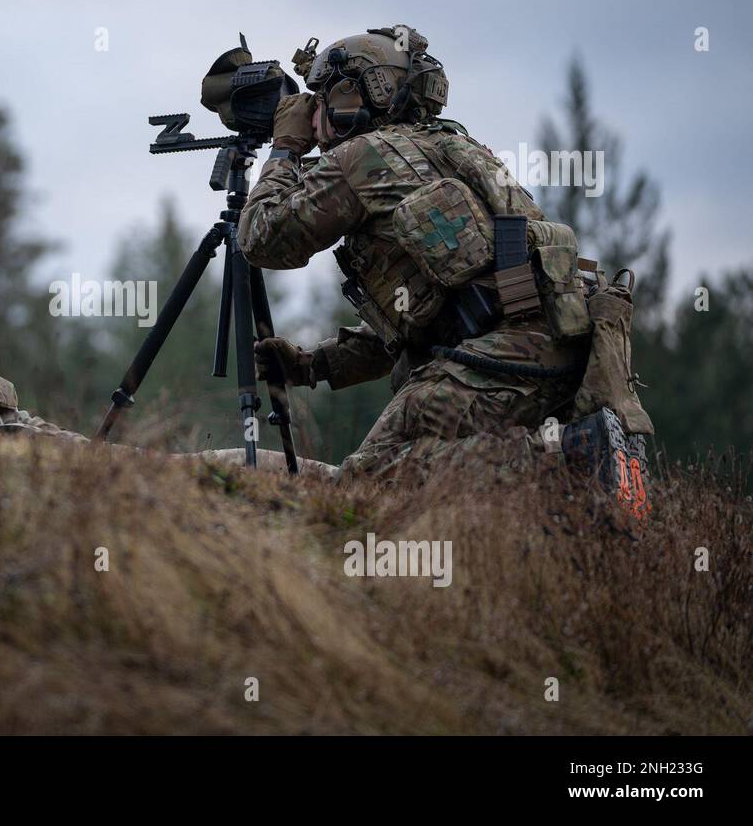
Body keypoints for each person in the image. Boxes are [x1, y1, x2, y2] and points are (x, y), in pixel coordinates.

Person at [241, 26, 651, 515]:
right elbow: (433, 320)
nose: (317, 118)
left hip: (503, 356)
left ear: (356, 99)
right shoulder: (453, 149)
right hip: (556, 351)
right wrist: (315, 366)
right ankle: (580, 471)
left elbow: (261, 237)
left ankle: (568, 458)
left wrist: (285, 150)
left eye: (324, 101)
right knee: (438, 495)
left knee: (367, 485)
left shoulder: (362, 159)